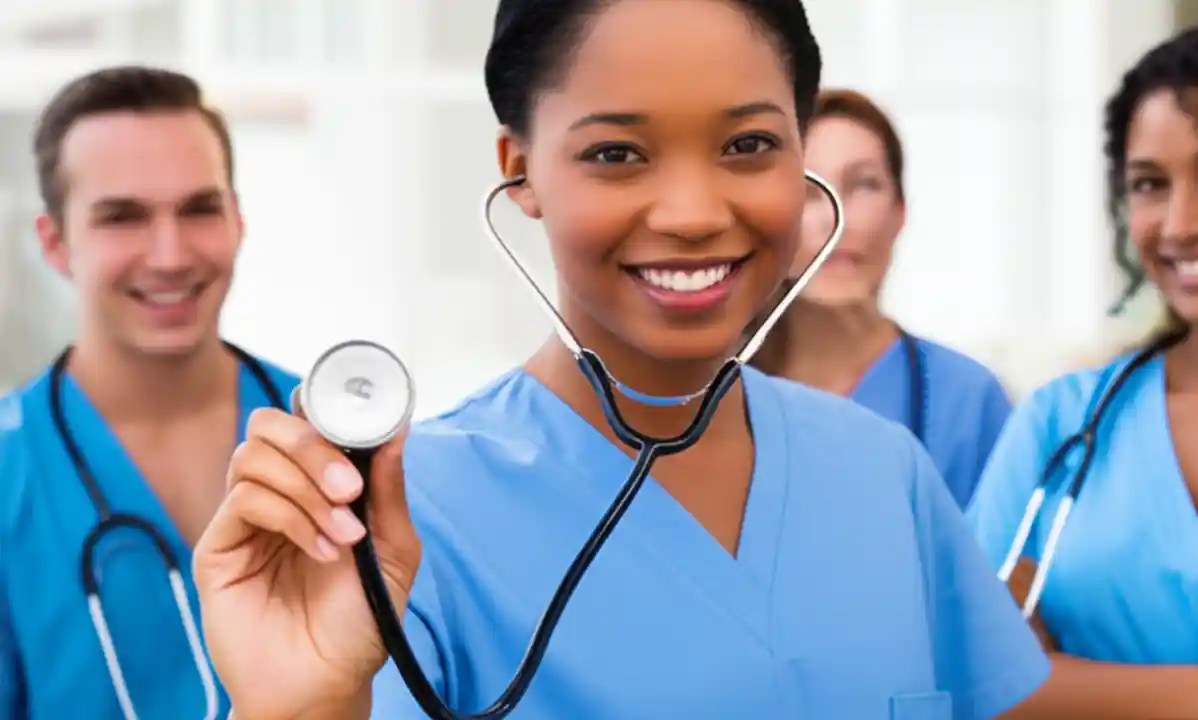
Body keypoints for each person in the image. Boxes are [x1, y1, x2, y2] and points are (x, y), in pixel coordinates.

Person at [191, 1, 1049, 718]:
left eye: (748, 144)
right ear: (520, 171)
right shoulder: (399, 525)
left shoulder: (885, 474)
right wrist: (300, 707)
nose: (691, 213)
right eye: (616, 154)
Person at [968, 19, 1198, 718]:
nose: (1181, 224)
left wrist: (1070, 681)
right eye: (1148, 184)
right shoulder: (1062, 422)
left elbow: (1026, 681)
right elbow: (975, 675)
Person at [0, 66, 298, 719]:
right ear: (55, 243)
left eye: (199, 209)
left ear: (237, 221)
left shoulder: (336, 444)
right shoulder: (9, 472)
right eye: (122, 217)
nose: (170, 256)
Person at [750, 88, 1012, 508]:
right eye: (809, 188)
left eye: (864, 185)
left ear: (899, 212)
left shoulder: (965, 401)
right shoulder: (715, 395)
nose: (837, 217)